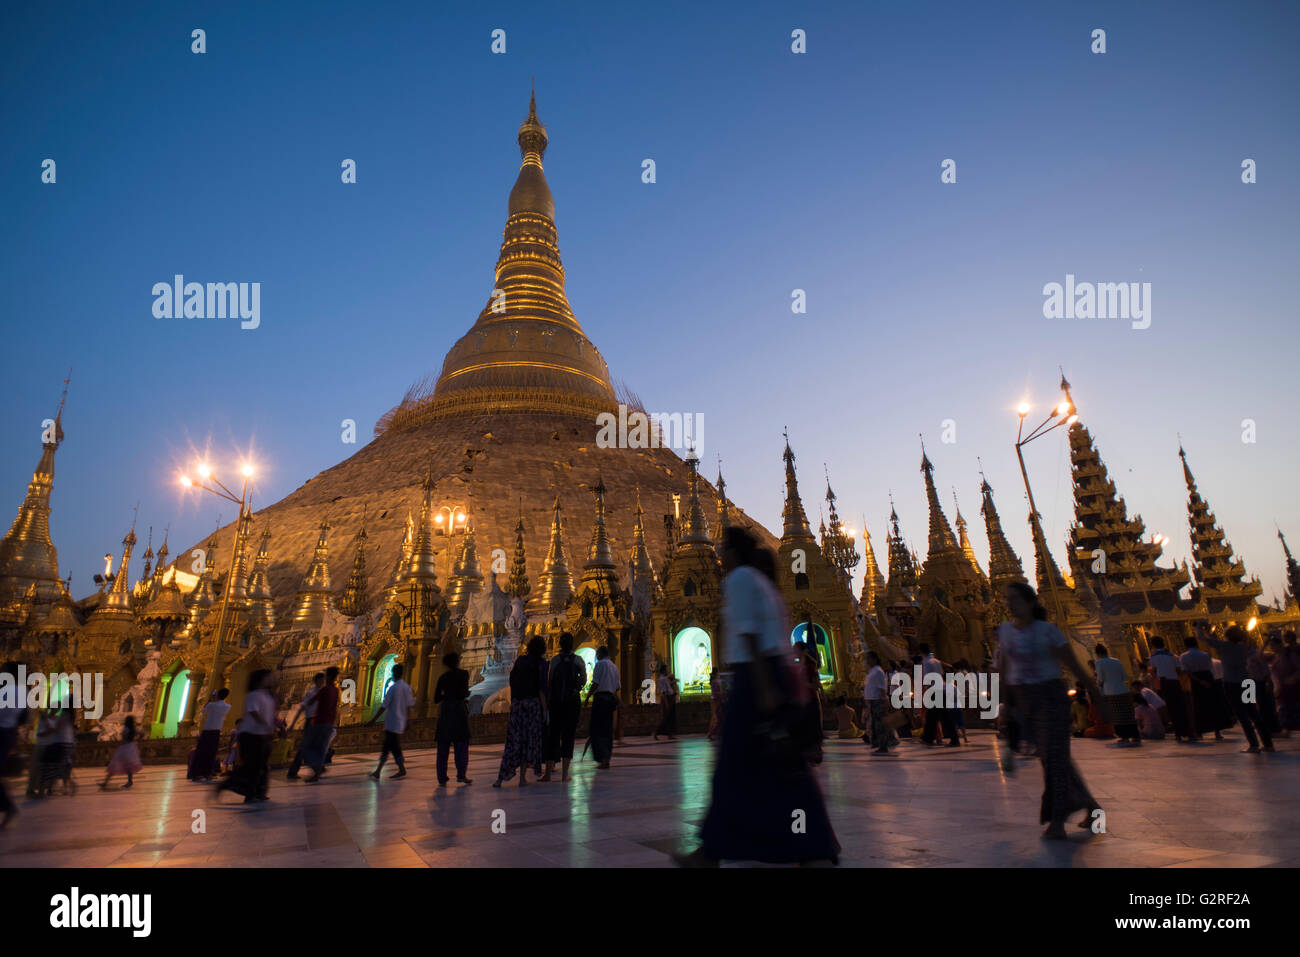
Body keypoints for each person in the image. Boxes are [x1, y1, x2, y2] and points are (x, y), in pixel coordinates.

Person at [677, 527, 840, 866]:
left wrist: (763, 691)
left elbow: (750, 636)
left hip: (755, 677)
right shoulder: (767, 586)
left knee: (733, 766)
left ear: (733, 553)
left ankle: (712, 850)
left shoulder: (739, 579)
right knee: (783, 765)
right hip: (773, 674)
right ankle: (813, 843)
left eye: (724, 550)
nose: (721, 556)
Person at [997, 581, 1103, 840]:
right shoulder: (1006, 632)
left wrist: (1099, 700)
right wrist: (1003, 707)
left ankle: (1056, 822)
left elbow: (1076, 667)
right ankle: (1092, 808)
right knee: (1054, 758)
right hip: (1024, 701)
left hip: (1051, 700)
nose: (1010, 604)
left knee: (1053, 760)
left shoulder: (1047, 632)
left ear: (1031, 602)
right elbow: (1005, 672)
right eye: (1007, 599)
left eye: (1015, 599)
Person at [1200, 624, 1274, 753]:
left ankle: (1254, 745)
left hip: (1231, 684)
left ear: (1227, 636)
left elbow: (1200, 637)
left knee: (1242, 715)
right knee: (1254, 713)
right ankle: (1268, 744)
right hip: (1247, 682)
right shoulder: (1245, 648)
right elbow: (1258, 654)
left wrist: (1201, 626)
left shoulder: (1223, 646)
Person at [216, 669, 279, 803]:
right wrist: (266, 724)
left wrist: (275, 726)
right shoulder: (253, 695)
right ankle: (244, 791)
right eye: (268, 677)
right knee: (253, 766)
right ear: (260, 679)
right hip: (251, 734)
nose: (271, 679)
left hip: (263, 734)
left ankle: (259, 792)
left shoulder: (268, 695)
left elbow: (270, 714)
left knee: (262, 766)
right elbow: (253, 712)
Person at [494, 636, 547, 787]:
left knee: (513, 741)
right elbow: (542, 689)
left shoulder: (520, 661)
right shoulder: (541, 664)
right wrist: (545, 711)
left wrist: (515, 701)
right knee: (528, 741)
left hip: (518, 706)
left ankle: (500, 779)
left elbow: (512, 681)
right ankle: (522, 778)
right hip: (532, 706)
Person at [541, 633, 585, 782]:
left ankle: (547, 773)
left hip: (556, 703)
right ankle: (565, 774)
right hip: (572, 702)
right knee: (568, 736)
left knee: (553, 736)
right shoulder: (578, 660)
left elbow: (549, 681)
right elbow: (584, 680)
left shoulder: (554, 660)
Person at [431, 652, 472, 786]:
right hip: (459, 709)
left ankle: (442, 778)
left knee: (443, 747)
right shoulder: (464, 674)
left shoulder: (443, 677)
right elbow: (465, 692)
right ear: (457, 661)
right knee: (461, 744)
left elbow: (436, 698)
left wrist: (447, 695)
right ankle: (461, 775)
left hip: (446, 710)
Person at [370, 662, 415, 778]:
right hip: (400, 723)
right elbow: (409, 706)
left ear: (394, 673)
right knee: (393, 747)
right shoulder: (407, 687)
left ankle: (381, 771)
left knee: (389, 746)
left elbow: (384, 706)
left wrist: (373, 720)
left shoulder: (393, 688)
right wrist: (408, 721)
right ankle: (385, 770)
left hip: (392, 723)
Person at [297, 667, 339, 782]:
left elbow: (310, 702)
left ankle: (317, 768)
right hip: (329, 723)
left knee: (306, 747)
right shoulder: (336, 690)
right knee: (321, 749)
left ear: (328, 677)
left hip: (319, 722)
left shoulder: (324, 690)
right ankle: (317, 772)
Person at [1180, 636, 1227, 741]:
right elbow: (1210, 668)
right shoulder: (1205, 655)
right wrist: (1208, 681)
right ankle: (1217, 731)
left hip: (1196, 680)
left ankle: (1200, 732)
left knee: (1199, 706)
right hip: (1208, 678)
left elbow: (1187, 671)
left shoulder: (1184, 656)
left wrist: (1200, 681)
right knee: (1213, 705)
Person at [0, 661, 28, 828]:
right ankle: (7, 805)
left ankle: (7, 805)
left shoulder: (9, 690)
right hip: (9, 731)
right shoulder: (23, 691)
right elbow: (23, 716)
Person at [1094, 644, 1139, 746]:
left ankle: (1124, 736)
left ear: (1097, 654)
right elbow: (1124, 676)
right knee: (1128, 714)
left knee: (1118, 715)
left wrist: (1098, 685)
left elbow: (1100, 679)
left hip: (1111, 691)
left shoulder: (1099, 662)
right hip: (1123, 689)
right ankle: (1135, 735)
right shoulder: (1116, 661)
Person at [585, 644, 621, 770]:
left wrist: (588, 696)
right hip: (610, 699)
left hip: (600, 699)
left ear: (599, 654)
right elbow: (616, 687)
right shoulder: (614, 666)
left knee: (597, 729)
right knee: (607, 729)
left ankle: (601, 758)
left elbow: (595, 683)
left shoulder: (600, 664)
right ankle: (606, 758)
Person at [1148, 638, 1191, 741]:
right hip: (1175, 682)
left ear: (1153, 645)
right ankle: (1187, 730)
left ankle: (1178, 732)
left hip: (1164, 683)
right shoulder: (1172, 656)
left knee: (1171, 708)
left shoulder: (1153, 657)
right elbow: (1179, 670)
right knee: (1181, 707)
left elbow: (1153, 671)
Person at [918, 643, 959, 747]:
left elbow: (927, 679)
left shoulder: (926, 662)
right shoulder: (936, 661)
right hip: (941, 689)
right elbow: (941, 675)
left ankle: (929, 738)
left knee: (937, 716)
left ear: (921, 652)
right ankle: (929, 738)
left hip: (933, 691)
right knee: (938, 716)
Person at [285, 673, 324, 779]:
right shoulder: (311, 693)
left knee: (315, 746)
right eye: (321, 680)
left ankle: (317, 768)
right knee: (305, 747)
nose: (322, 682)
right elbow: (302, 708)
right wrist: (292, 724)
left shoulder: (322, 693)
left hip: (318, 722)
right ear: (316, 681)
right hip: (311, 722)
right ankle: (295, 771)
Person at [191, 688, 231, 781]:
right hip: (217, 731)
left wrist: (211, 699)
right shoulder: (228, 706)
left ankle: (196, 773)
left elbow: (203, 711)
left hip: (207, 730)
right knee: (211, 753)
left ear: (217, 695)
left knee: (201, 752)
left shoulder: (211, 705)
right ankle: (207, 773)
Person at [1267, 635, 1300, 733]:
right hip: (1281, 687)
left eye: (1273, 645)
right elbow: (1259, 657)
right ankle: (1286, 730)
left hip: (1292, 687)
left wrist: (1292, 678)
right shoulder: (1273, 657)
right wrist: (1264, 645)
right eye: (1270, 645)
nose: (1271, 647)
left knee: (1291, 709)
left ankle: (1287, 730)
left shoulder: (1290, 655)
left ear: (1279, 645)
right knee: (1283, 709)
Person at [863, 652, 894, 755]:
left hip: (878, 701)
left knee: (880, 724)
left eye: (869, 659)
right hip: (872, 701)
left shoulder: (878, 671)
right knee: (875, 724)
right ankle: (878, 743)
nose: (867, 661)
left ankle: (884, 745)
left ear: (875, 659)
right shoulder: (872, 671)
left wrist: (885, 701)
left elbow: (881, 688)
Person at [100, 715, 142, 789]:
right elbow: (142, 734)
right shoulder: (134, 729)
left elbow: (123, 738)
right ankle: (129, 781)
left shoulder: (126, 729)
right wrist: (136, 739)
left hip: (125, 748)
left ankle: (106, 782)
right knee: (128, 766)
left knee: (115, 764)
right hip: (131, 748)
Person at [654, 664, 679, 740]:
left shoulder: (664, 678)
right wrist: (666, 703)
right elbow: (663, 692)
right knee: (667, 717)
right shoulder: (662, 679)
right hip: (667, 699)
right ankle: (657, 732)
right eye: (667, 669)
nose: (668, 671)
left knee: (669, 717)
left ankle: (669, 734)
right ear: (664, 670)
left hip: (670, 697)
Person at [706, 669, 724, 740]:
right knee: (716, 718)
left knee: (717, 717)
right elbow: (716, 692)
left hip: (716, 700)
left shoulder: (714, 681)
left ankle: (713, 733)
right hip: (716, 700)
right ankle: (711, 733)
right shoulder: (715, 682)